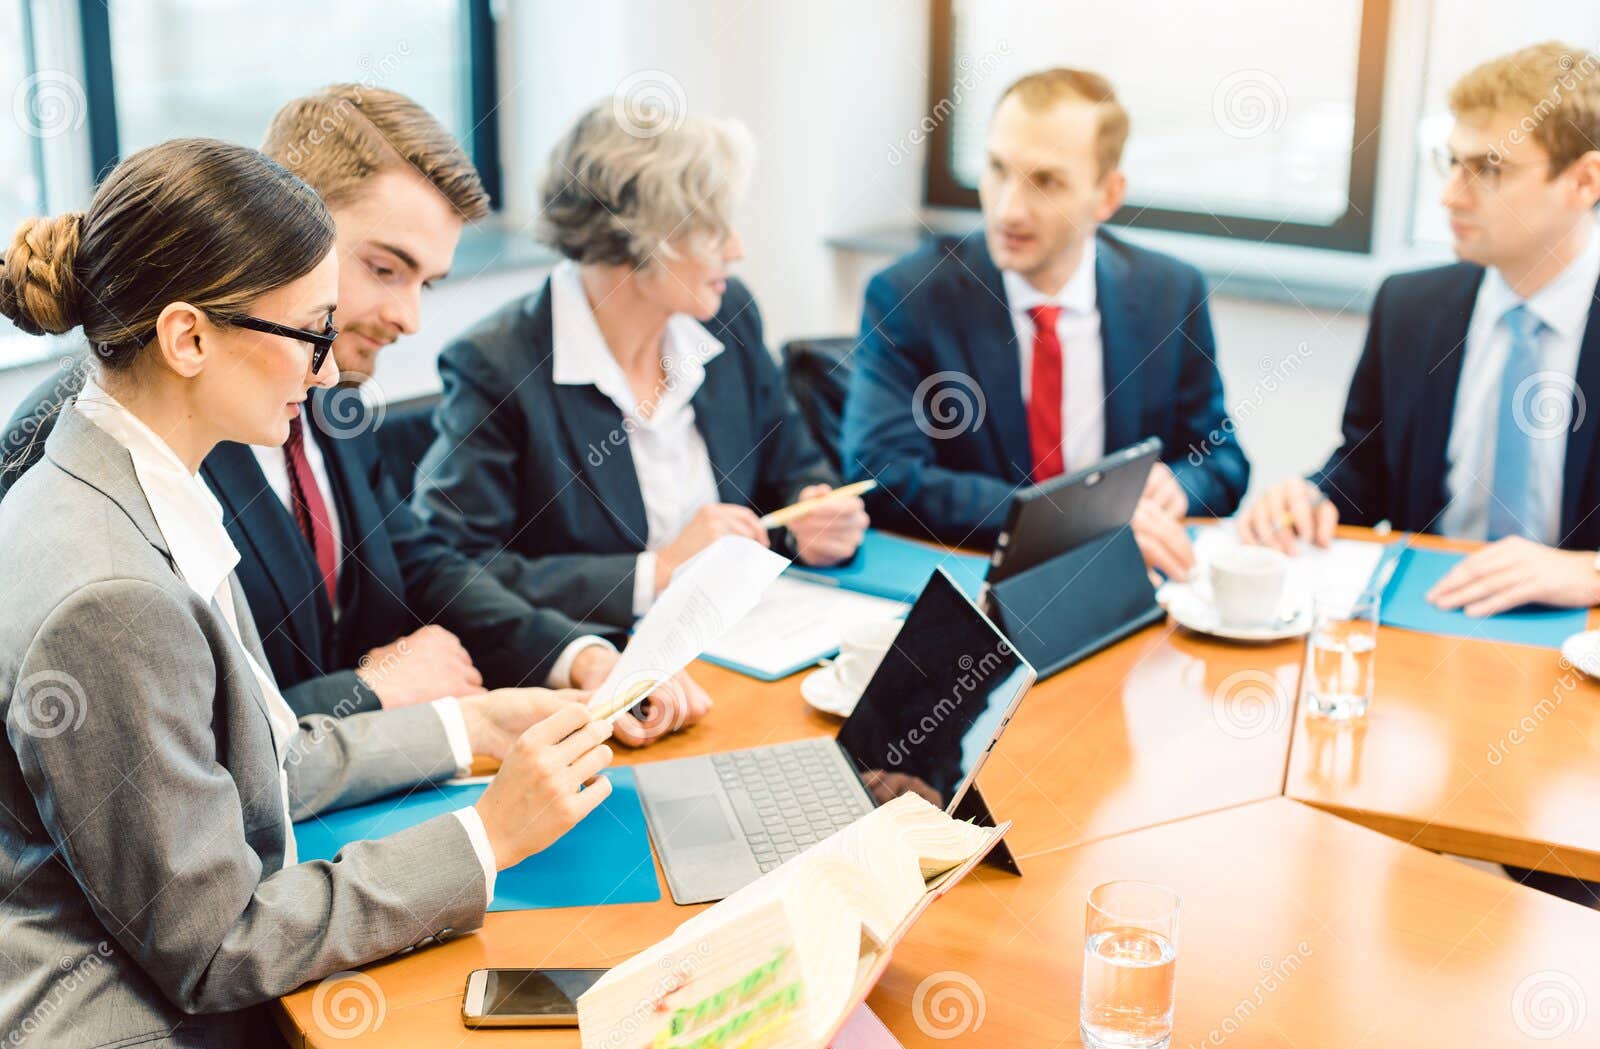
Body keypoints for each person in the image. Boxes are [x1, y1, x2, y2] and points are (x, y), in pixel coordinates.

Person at [0, 138, 618, 1049]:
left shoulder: (129, 476)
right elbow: (216, 946)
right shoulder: (113, 596)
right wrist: (485, 835)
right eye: (310, 335)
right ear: (189, 337)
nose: (327, 373)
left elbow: (264, 756)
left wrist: (471, 727)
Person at [0, 86, 706, 743]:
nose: (408, 318)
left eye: (426, 282)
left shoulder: (325, 383)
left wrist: (575, 654)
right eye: (384, 270)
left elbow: (413, 557)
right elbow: (160, 740)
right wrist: (367, 692)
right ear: (285, 223)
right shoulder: (110, 433)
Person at [411, 103, 868, 629]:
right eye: (712, 230)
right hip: (600, 664)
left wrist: (811, 515)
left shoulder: (728, 317)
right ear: (638, 237)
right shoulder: (497, 364)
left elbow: (792, 467)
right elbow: (454, 572)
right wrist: (657, 571)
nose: (737, 250)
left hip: (751, 634)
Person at [840, 67, 1248, 579]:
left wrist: (1179, 484)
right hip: (980, 585)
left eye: (1046, 182)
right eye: (997, 169)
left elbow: (1224, 461)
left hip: (1126, 589)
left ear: (1107, 195)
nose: (1009, 209)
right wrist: (1075, 522)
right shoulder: (910, 296)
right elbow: (883, 477)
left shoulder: (1169, 292)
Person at [1238, 42, 1600, 619]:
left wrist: (1590, 570)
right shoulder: (1412, 307)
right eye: (1452, 162)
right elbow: (1366, 471)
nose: (1451, 195)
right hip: (1430, 621)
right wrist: (1311, 498)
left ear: (1584, 182)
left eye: (1489, 169)